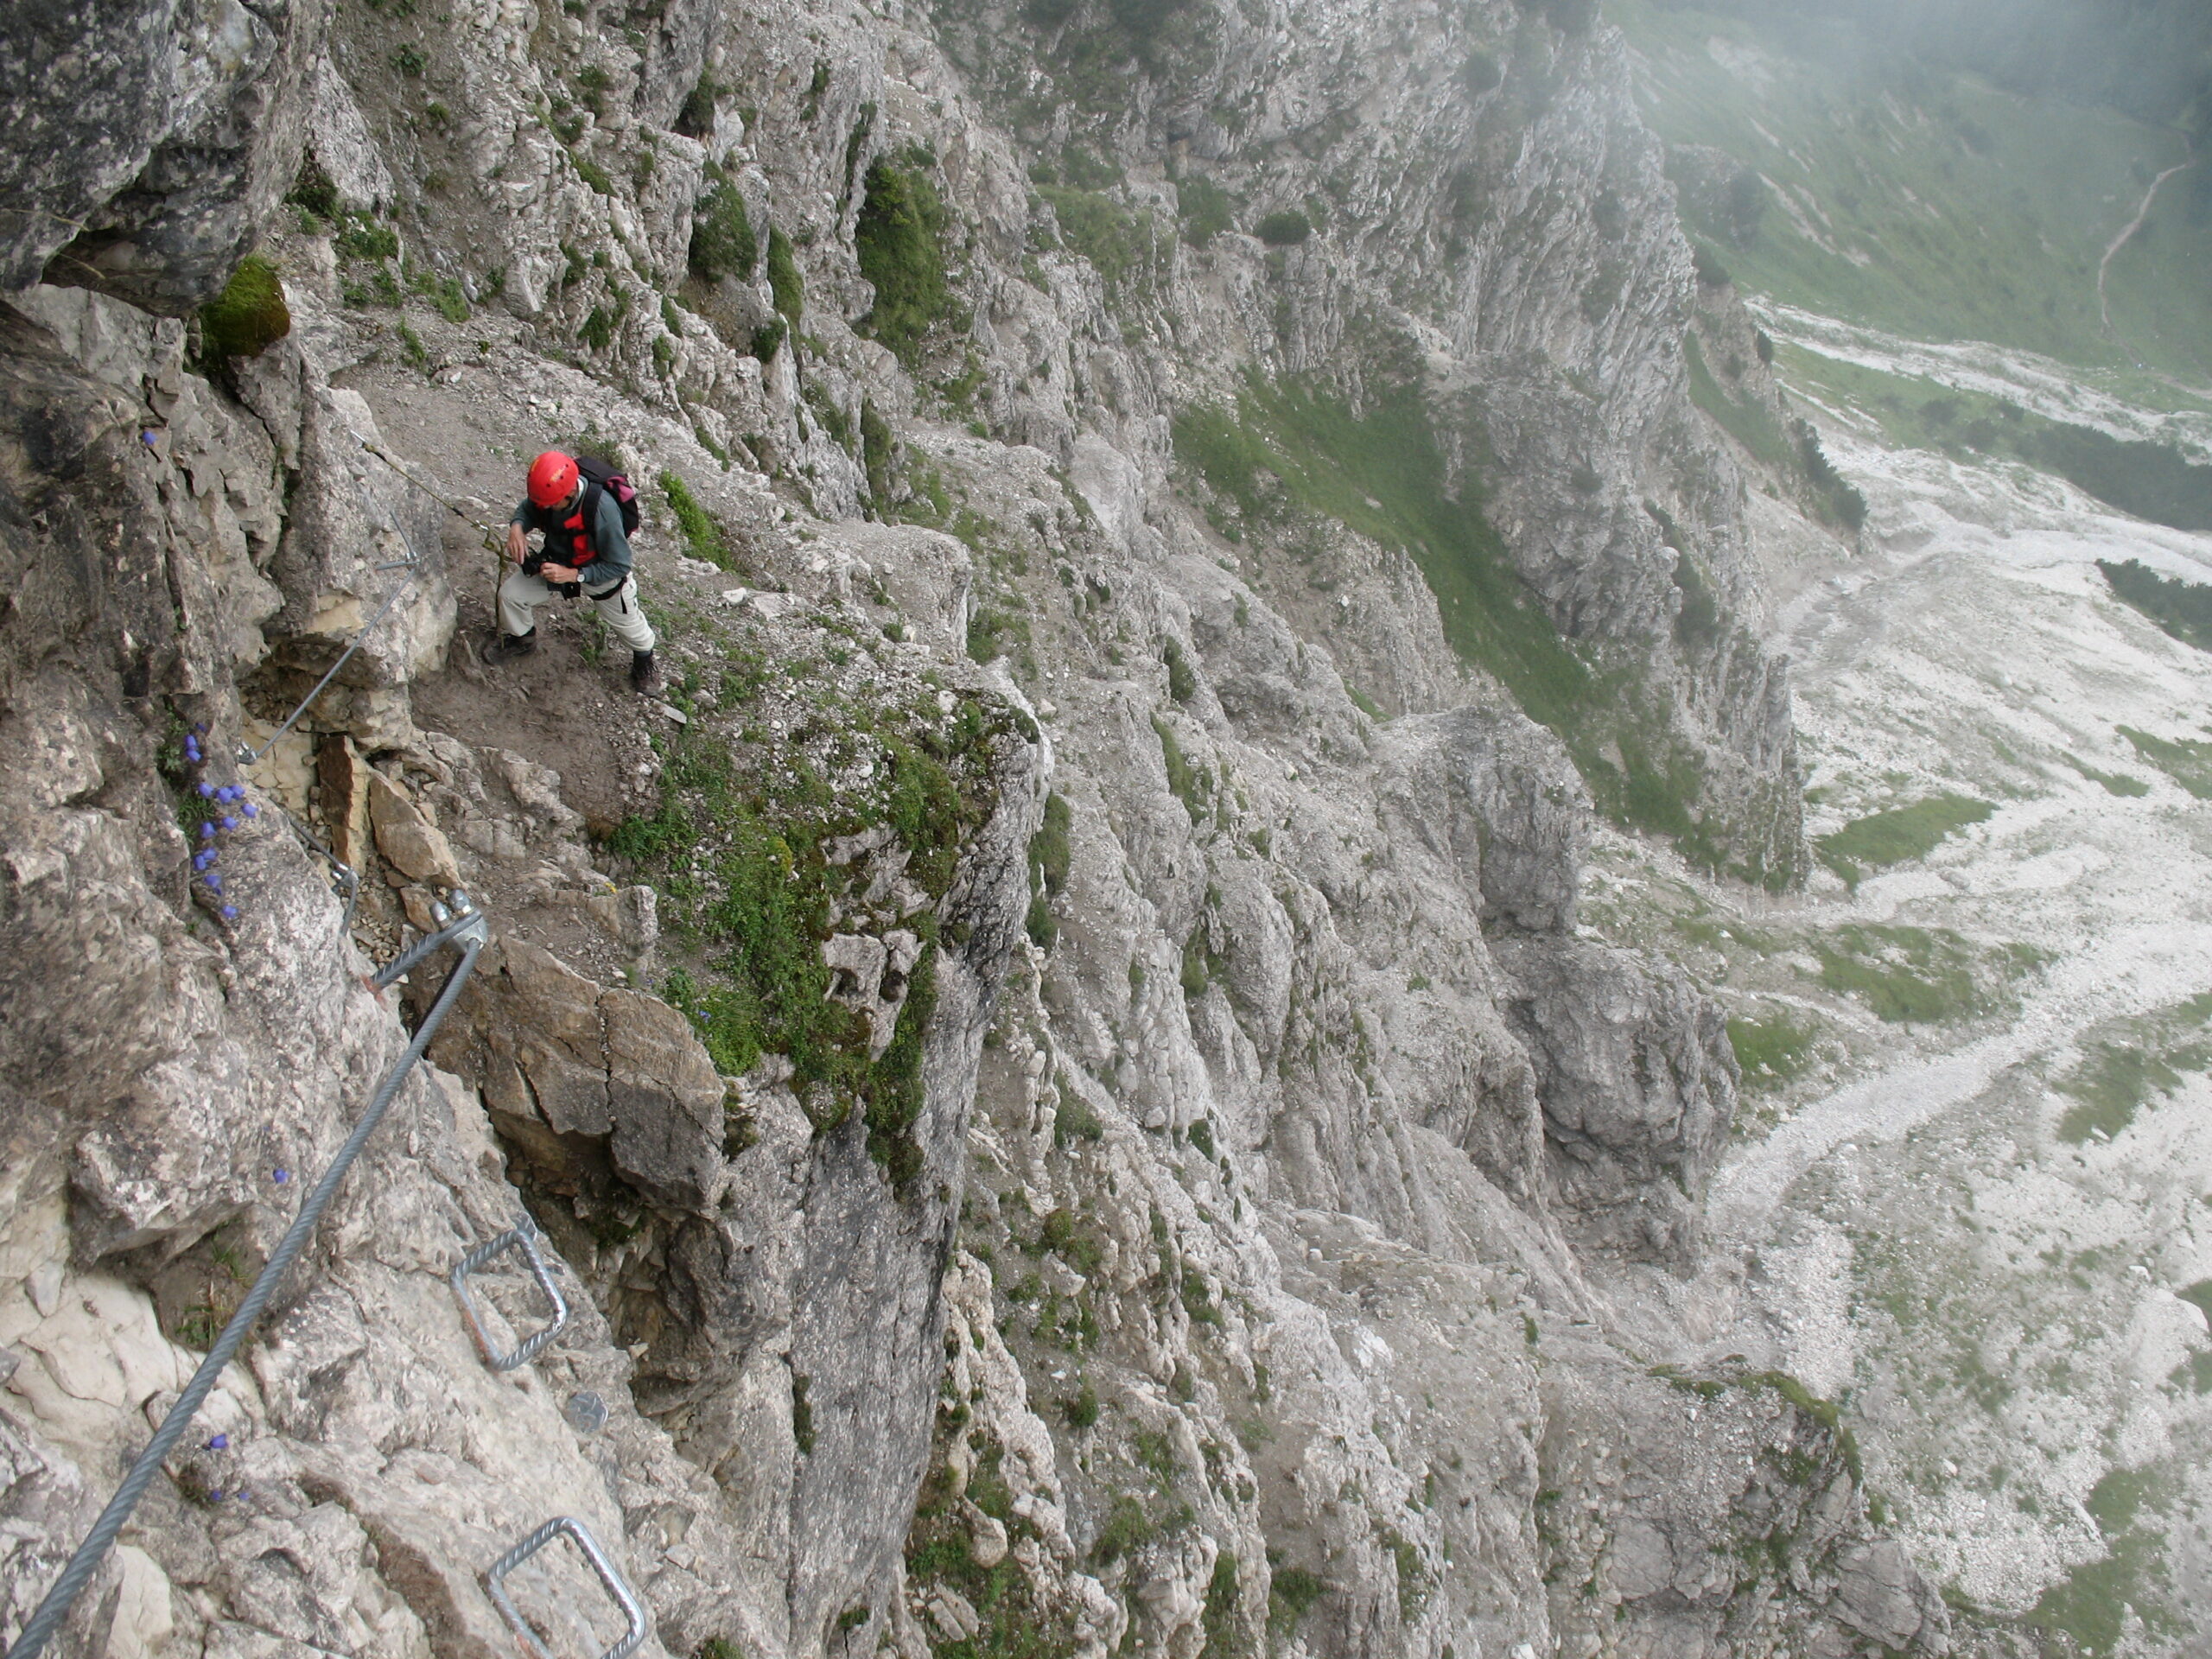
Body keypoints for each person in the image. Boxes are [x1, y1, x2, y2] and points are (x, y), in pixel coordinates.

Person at [486, 450, 659, 692]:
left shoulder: (602, 510)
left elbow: (619, 565)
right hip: (556, 563)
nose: (544, 508)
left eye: (549, 504)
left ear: (569, 493)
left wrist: (576, 575)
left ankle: (644, 659)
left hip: (600, 574)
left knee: (629, 625)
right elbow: (527, 509)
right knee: (510, 596)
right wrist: (517, 528)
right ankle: (523, 640)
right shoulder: (548, 496)